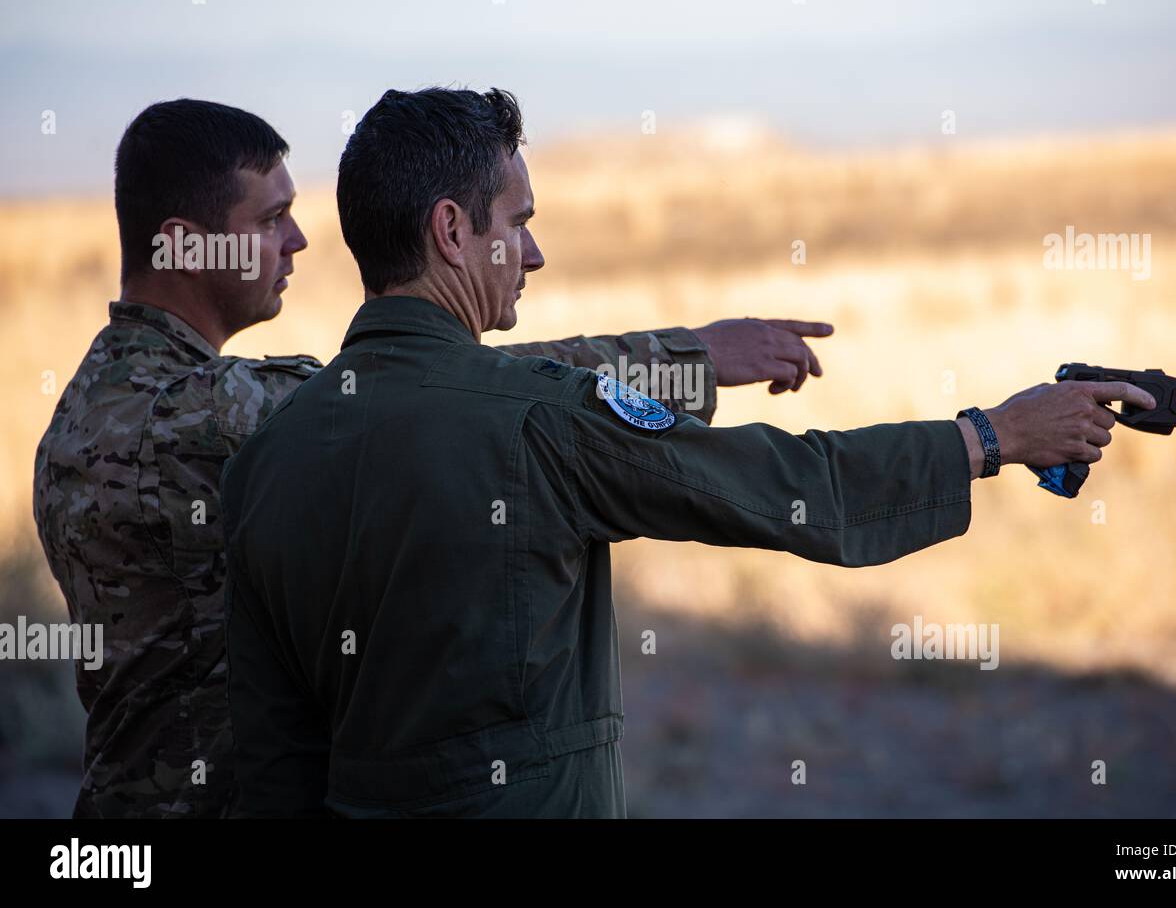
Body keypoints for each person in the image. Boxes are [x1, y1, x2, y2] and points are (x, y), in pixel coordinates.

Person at [220, 86, 1157, 817]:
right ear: (452, 232)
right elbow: (783, 485)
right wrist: (988, 438)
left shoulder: (270, 457)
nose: (534, 254)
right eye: (518, 222)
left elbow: (272, 770)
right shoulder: (542, 420)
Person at [31, 98, 833, 818]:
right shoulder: (202, 415)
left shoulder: (78, 412)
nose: (299, 239)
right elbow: (462, 391)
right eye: (269, 218)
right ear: (180, 246)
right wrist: (687, 357)